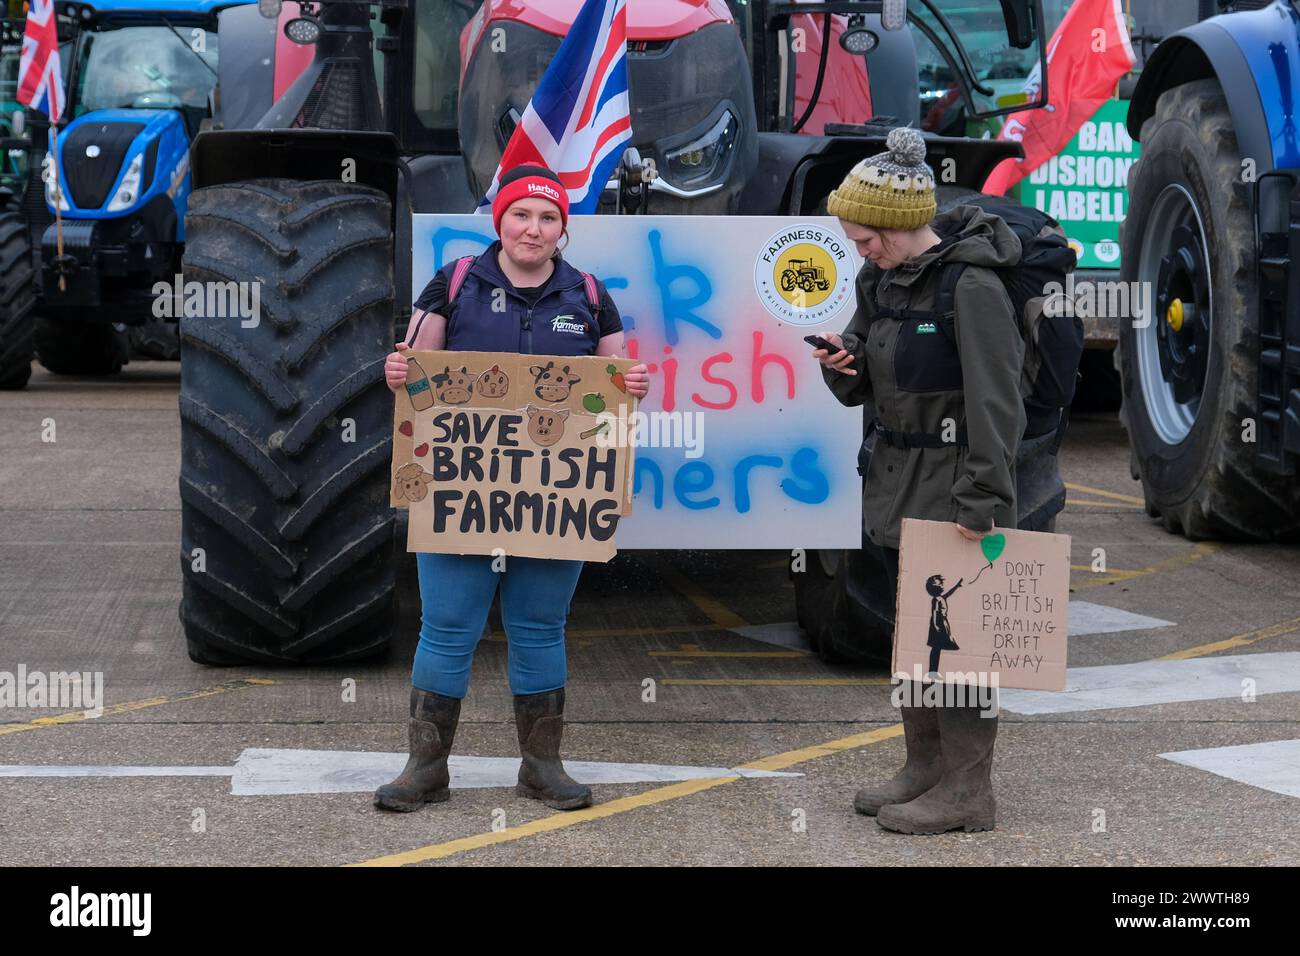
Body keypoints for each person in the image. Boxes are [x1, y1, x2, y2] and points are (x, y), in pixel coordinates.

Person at [377, 164, 650, 812]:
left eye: (548, 217)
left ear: (563, 228)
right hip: (459, 491)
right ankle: (425, 769)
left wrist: (632, 384)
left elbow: (615, 383)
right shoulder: (455, 283)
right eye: (521, 214)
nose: (533, 228)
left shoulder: (590, 295)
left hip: (555, 497)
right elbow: (416, 371)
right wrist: (398, 372)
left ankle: (542, 768)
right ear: (499, 220)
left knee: (540, 627)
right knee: (447, 628)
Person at [816, 127, 1024, 835]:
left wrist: (984, 499)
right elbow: (872, 377)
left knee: (960, 645)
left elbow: (998, 402)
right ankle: (923, 767)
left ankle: (969, 791)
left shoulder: (973, 286)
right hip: (895, 481)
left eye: (863, 237)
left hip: (955, 485)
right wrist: (842, 360)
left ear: (897, 223)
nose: (858, 250)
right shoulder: (880, 281)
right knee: (916, 635)